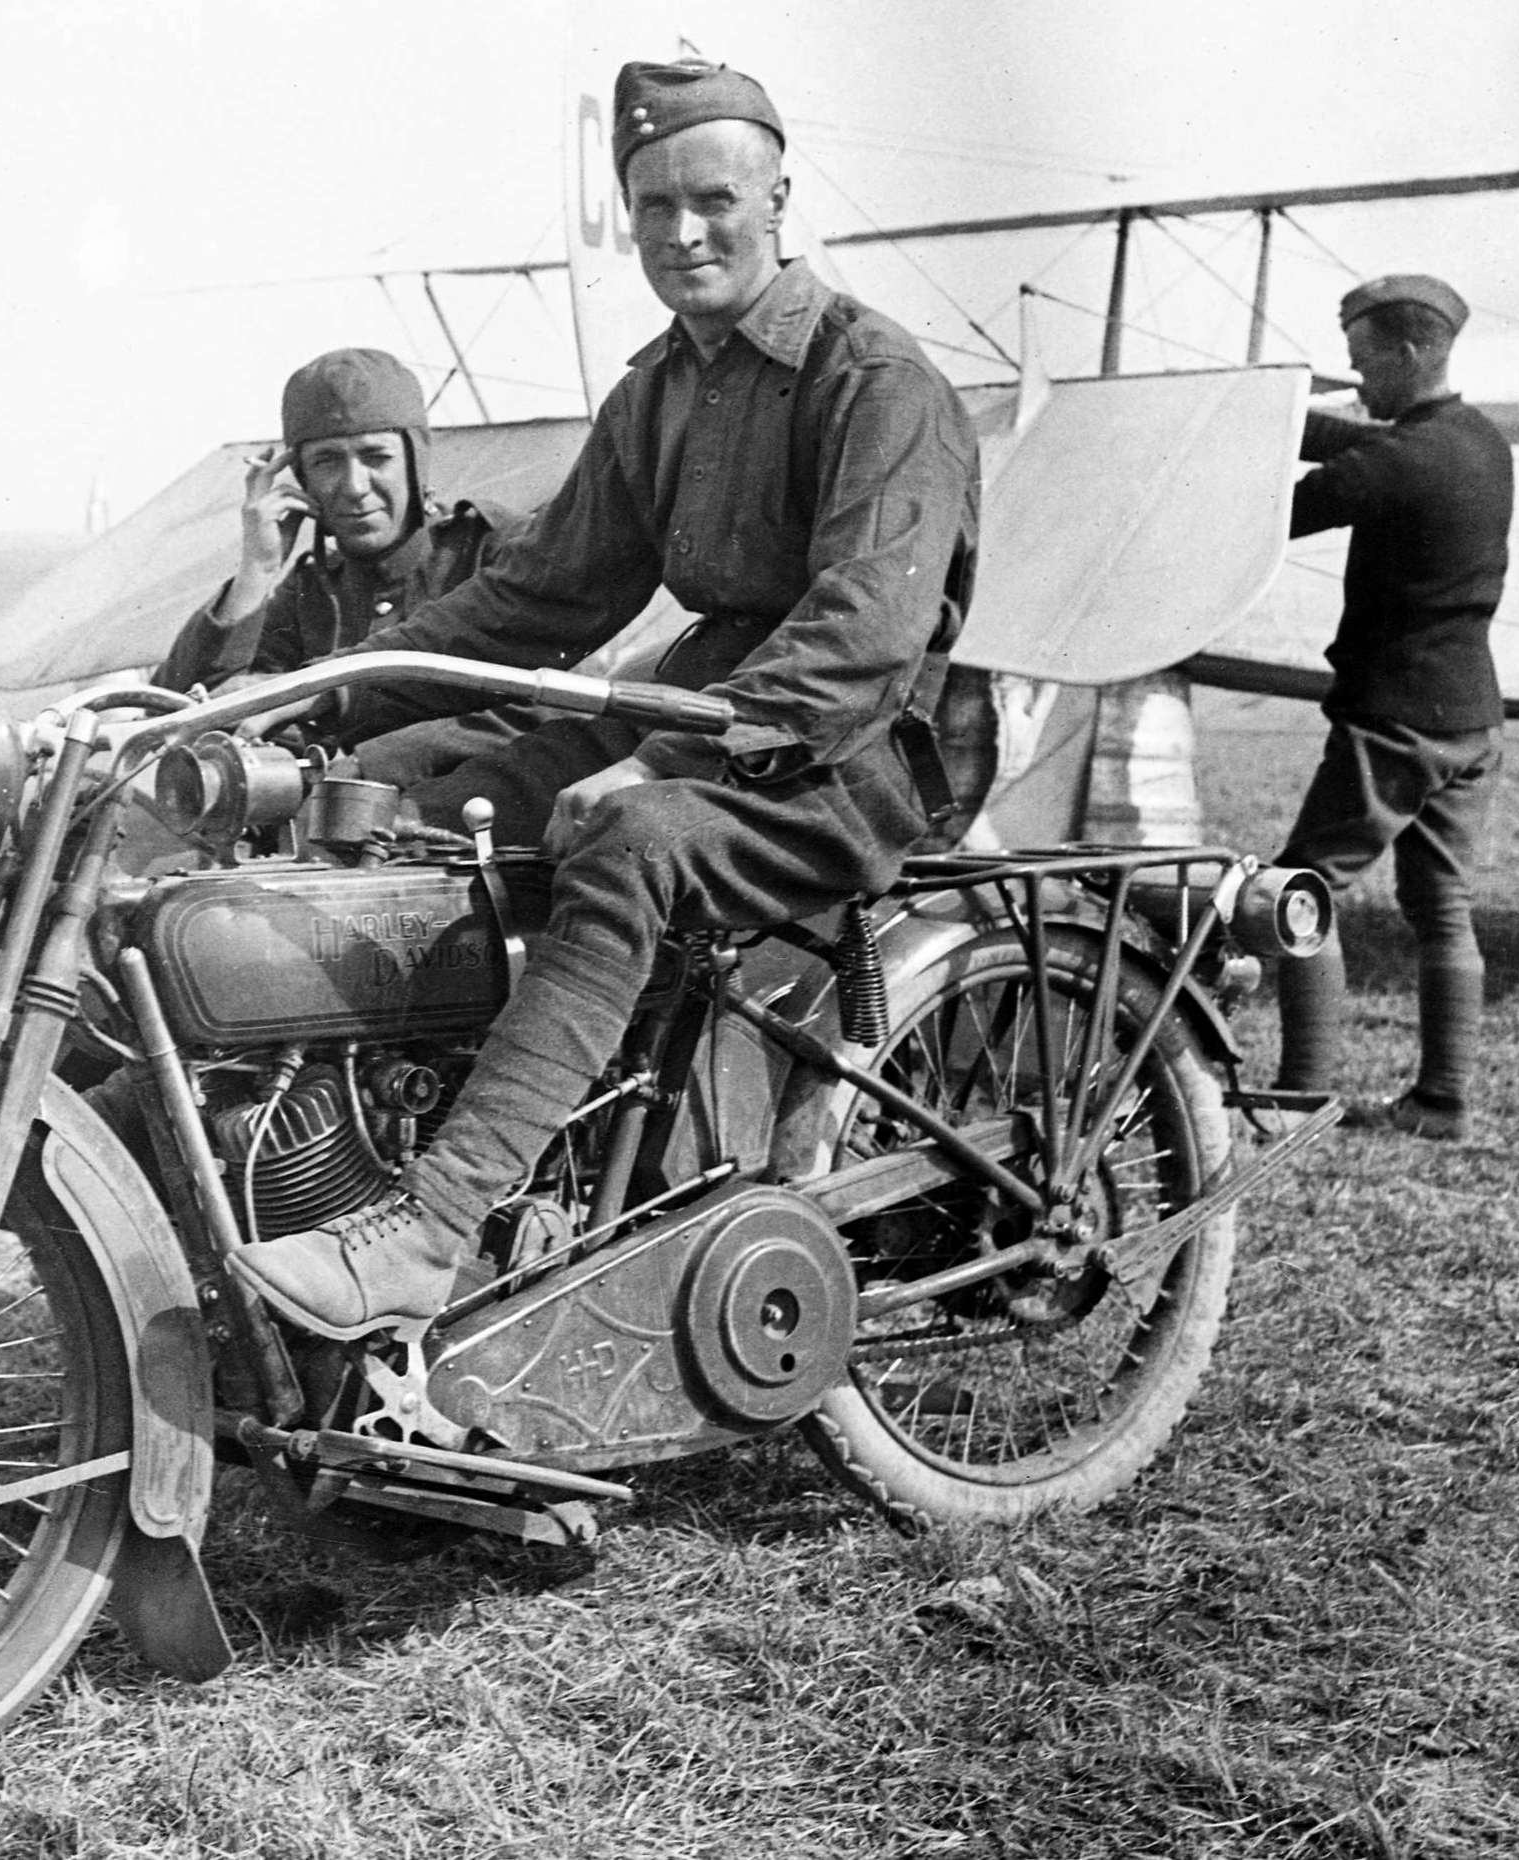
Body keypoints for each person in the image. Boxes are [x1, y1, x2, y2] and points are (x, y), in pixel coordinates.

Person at [230, 58, 981, 1339]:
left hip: (849, 755)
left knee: (630, 845)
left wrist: (650, 770)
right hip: (692, 713)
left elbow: (862, 631)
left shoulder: (875, 380)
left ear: (779, 197)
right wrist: (316, 698)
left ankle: (431, 1226)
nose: (682, 233)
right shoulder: (659, 388)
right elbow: (539, 594)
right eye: (651, 207)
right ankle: (358, 1155)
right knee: (410, 788)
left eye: (714, 200)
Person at [1269, 273, 1514, 1142]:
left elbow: (1280, 511)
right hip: (1472, 716)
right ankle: (1442, 1102)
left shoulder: (1402, 461)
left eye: (1365, 359)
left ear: (1410, 352)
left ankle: (1297, 1099)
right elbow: (1364, 438)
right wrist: (1268, 415)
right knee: (1441, 904)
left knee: (1299, 888)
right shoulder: (1480, 441)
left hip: (1398, 721)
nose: (1358, 377)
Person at [152, 347, 503, 695]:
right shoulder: (310, 591)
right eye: (327, 462)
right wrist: (257, 568)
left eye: (376, 457)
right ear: (302, 477)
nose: (354, 486)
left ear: (415, 462)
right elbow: (186, 706)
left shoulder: (491, 553)